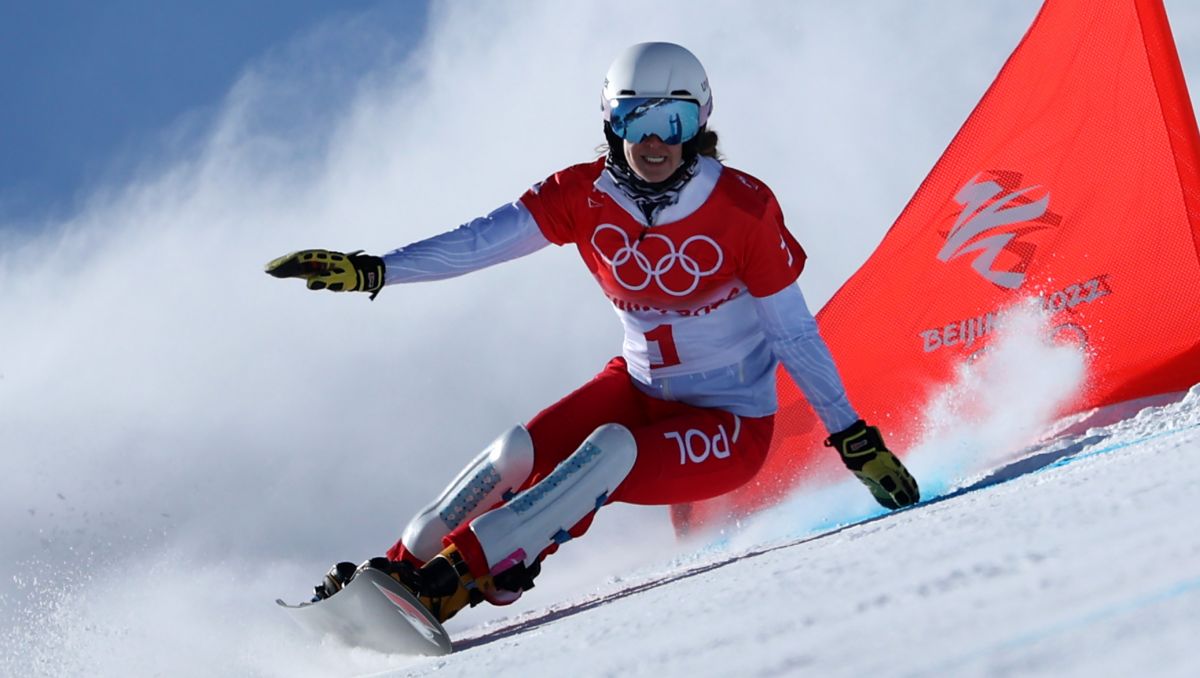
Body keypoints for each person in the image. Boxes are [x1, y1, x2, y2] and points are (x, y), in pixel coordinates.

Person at [266, 42, 919, 623]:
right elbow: (478, 243)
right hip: (637, 389)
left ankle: (453, 583)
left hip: (730, 424)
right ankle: (395, 569)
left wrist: (853, 437)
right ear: (610, 122)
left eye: (674, 121)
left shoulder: (743, 208)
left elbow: (794, 335)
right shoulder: (581, 195)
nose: (655, 142)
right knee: (514, 455)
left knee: (607, 451)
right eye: (636, 119)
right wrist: (377, 270)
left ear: (699, 124)